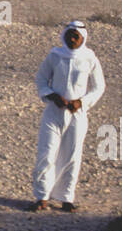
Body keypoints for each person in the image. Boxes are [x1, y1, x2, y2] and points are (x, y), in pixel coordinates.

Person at [29, 20, 105, 212]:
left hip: (77, 115)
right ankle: (41, 196)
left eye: (76, 36)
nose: (72, 39)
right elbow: (41, 79)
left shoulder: (90, 58)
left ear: (83, 38)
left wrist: (81, 102)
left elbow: (99, 87)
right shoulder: (55, 56)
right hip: (54, 113)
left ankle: (66, 198)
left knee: (72, 155)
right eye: (69, 35)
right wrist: (53, 96)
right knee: (46, 153)